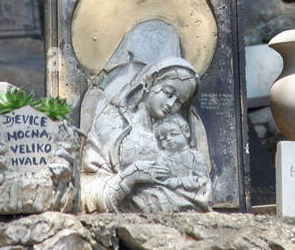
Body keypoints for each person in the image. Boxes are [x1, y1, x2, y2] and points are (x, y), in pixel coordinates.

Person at [80, 57, 211, 212]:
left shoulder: (183, 131)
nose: (170, 105)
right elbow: (87, 186)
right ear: (149, 83)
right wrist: (131, 176)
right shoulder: (111, 123)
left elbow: (202, 187)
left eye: (179, 102)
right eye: (168, 93)